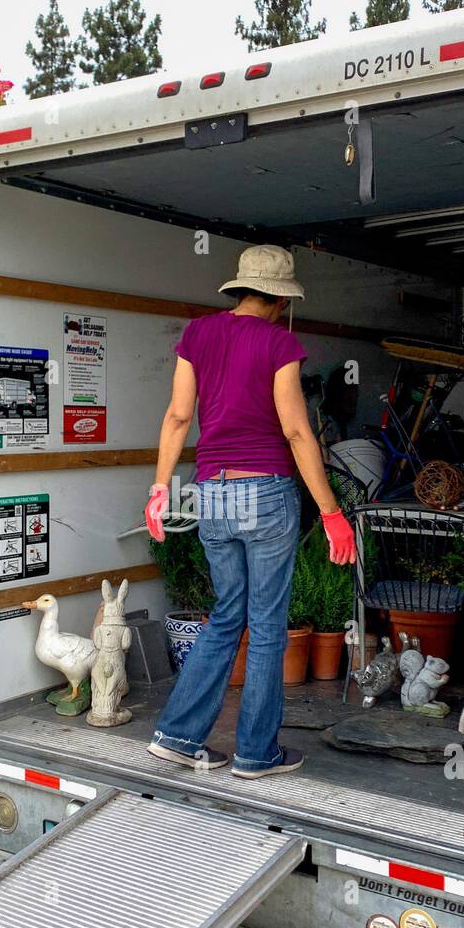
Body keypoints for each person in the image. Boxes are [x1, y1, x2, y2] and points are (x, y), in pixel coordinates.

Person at [144, 244, 356, 779]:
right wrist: (331, 513)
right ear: (280, 299)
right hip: (265, 494)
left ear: (240, 289)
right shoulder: (280, 343)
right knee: (266, 628)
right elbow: (296, 430)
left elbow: (176, 416)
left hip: (212, 493)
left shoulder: (197, 334)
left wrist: (159, 487)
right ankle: (256, 754)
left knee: (224, 617)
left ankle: (178, 735)